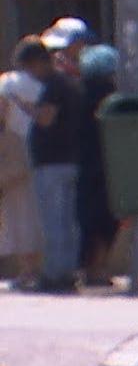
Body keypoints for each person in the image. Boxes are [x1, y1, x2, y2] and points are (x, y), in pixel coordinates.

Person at [18, 36, 87, 292]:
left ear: (37, 62)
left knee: (54, 221)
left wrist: (25, 107)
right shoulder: (66, 83)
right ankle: (67, 271)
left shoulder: (55, 86)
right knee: (68, 221)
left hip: (52, 163)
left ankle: (54, 274)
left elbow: (46, 118)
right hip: (69, 160)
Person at [76, 44, 122, 286]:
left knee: (88, 220)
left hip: (85, 162)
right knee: (105, 220)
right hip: (108, 163)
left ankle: (90, 268)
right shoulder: (111, 95)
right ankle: (99, 268)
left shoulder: (80, 93)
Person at [0, 39, 45, 285]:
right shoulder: (44, 84)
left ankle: (27, 270)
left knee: (17, 212)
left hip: (14, 152)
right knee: (35, 211)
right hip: (40, 152)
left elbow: (1, 112)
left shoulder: (8, 82)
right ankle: (34, 267)